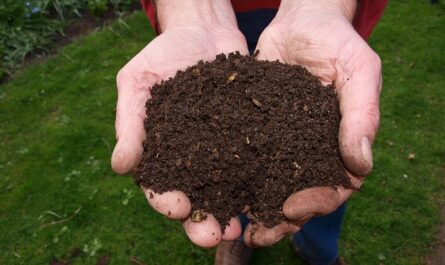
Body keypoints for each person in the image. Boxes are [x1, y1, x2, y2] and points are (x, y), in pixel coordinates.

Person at [111, 1, 387, 264]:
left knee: (324, 186)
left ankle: (319, 251)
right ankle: (237, 234)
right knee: (233, 190)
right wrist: (191, 10)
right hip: (218, 17)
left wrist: (322, 7)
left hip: (315, 18)